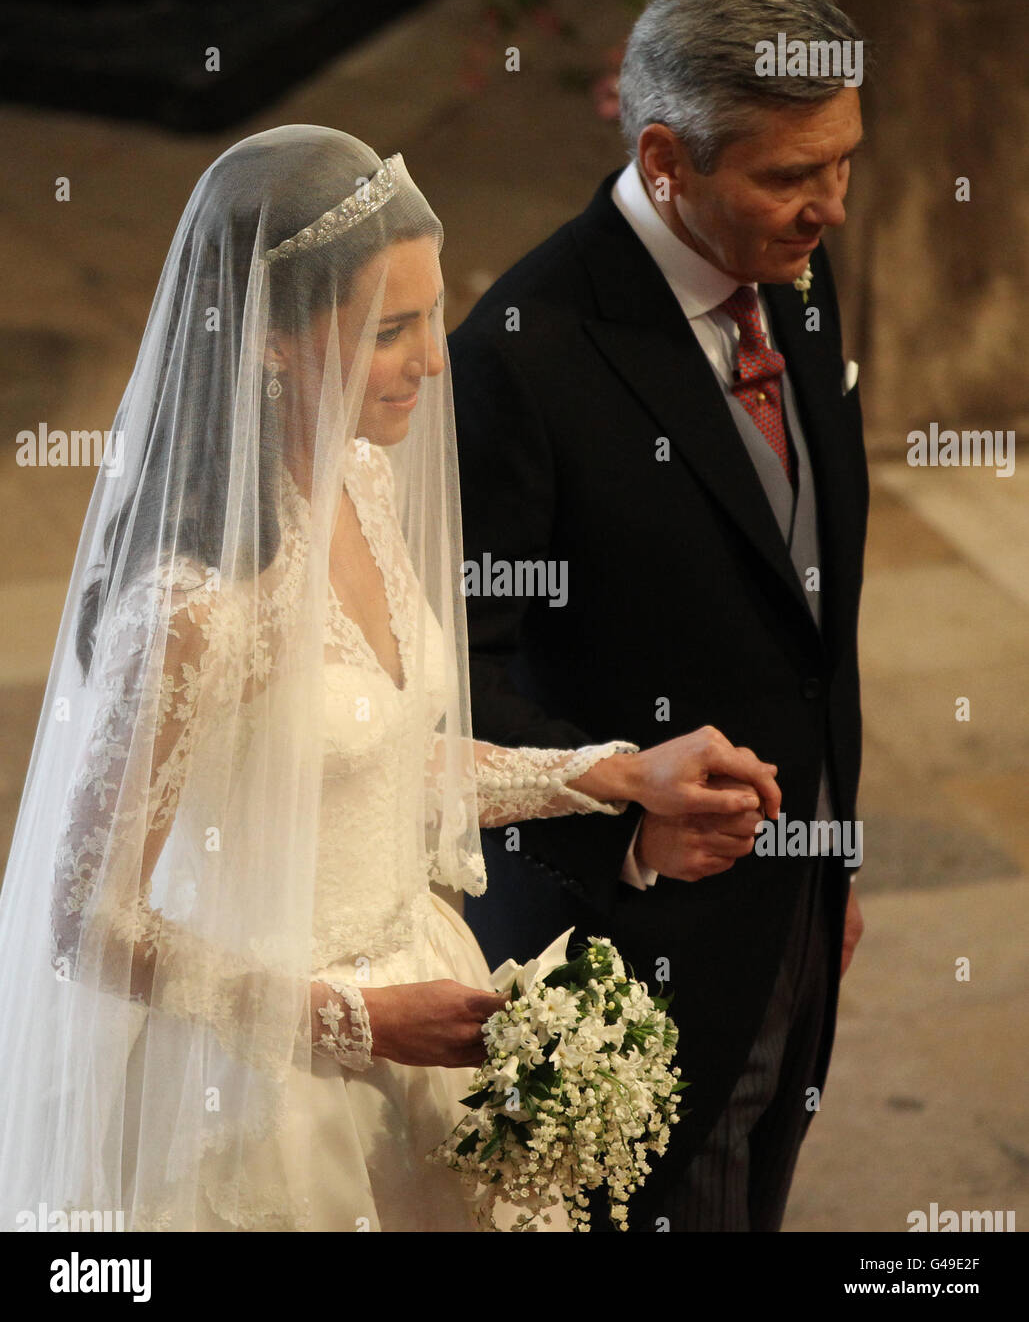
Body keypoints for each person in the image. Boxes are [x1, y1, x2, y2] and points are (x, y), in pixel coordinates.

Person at [0, 124, 780, 1232]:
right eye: (388, 328)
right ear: (271, 339)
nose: (431, 357)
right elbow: (87, 917)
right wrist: (356, 1023)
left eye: (432, 315)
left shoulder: (362, 485)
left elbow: (387, 759)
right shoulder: (187, 610)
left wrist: (613, 775)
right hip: (262, 1084)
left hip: (425, 988)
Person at [450, 0, 869, 1231]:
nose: (829, 208)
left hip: (794, 897)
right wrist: (622, 819)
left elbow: (806, 616)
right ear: (666, 158)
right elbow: (457, 685)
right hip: (627, 945)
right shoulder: (519, 356)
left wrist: (828, 856)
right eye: (793, 176)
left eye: (843, 163)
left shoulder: (790, 274)